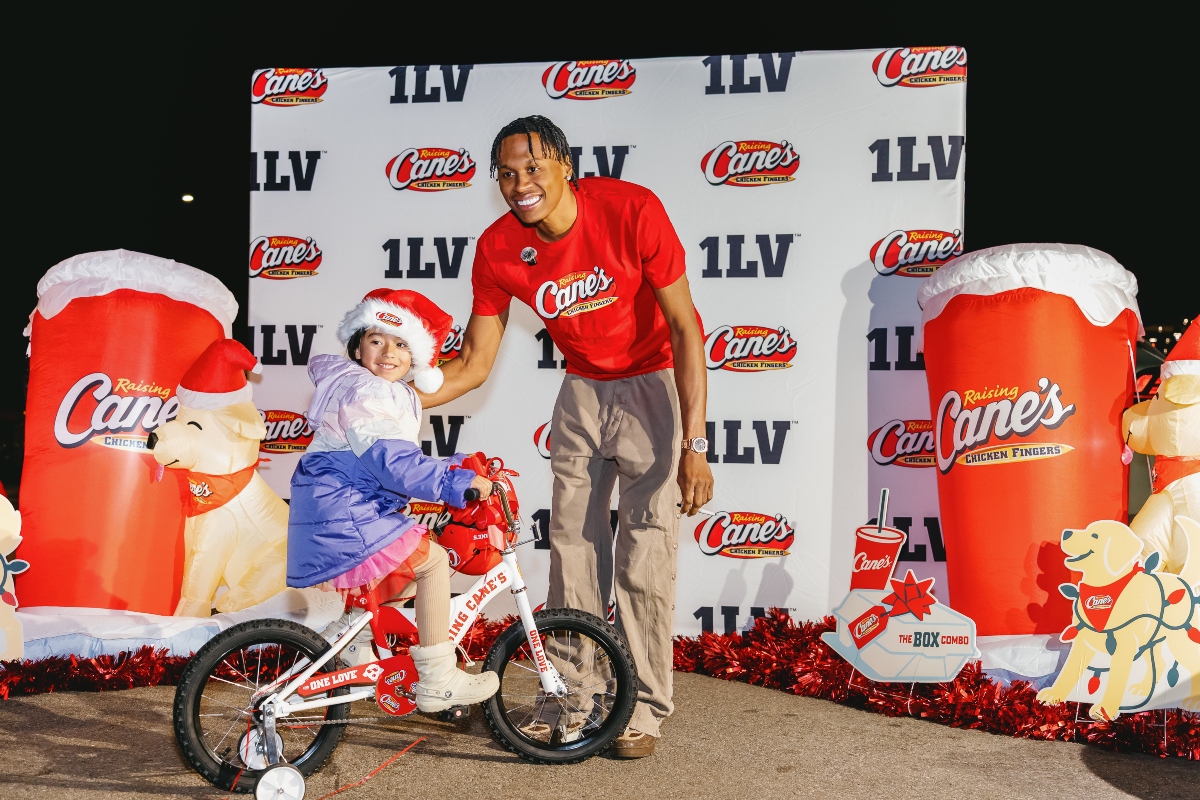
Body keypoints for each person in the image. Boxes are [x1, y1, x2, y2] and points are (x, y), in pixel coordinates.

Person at [418, 115, 714, 757]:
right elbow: (473, 363)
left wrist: (695, 445)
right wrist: (391, 399)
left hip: (653, 381)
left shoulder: (631, 209)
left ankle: (641, 708)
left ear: (565, 167)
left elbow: (686, 327)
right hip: (581, 389)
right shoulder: (498, 247)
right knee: (571, 552)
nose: (520, 183)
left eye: (533, 167)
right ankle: (571, 699)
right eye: (506, 173)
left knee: (644, 556)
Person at [286, 288, 499, 713]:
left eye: (402, 344)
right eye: (377, 340)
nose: (388, 353)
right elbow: (391, 461)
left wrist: (455, 467)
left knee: (401, 563)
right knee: (432, 562)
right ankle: (438, 679)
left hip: (341, 503)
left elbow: (387, 455)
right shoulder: (370, 391)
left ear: (415, 356)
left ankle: (354, 635)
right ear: (357, 346)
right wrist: (452, 483)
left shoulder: (365, 386)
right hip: (346, 509)